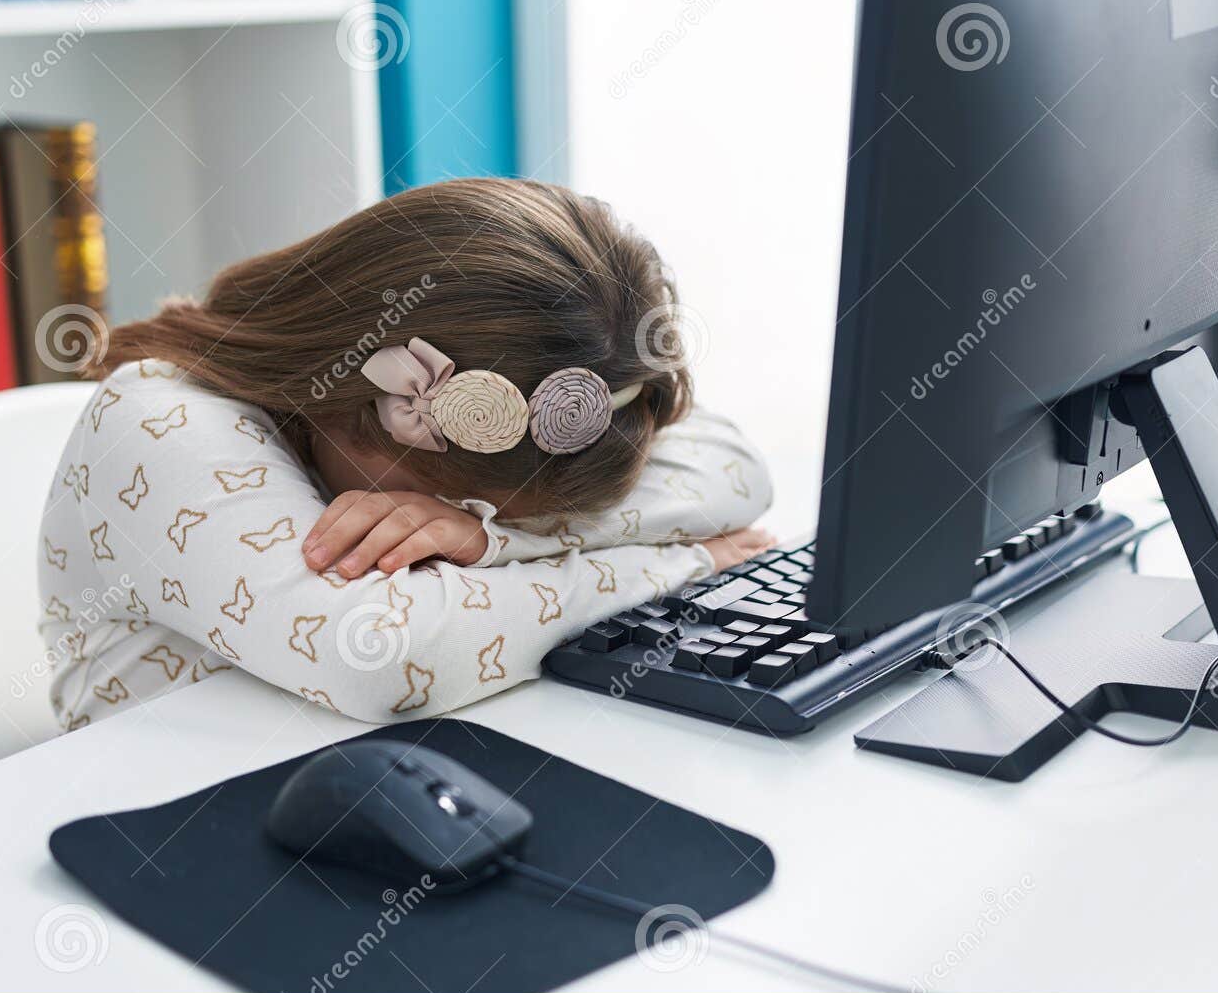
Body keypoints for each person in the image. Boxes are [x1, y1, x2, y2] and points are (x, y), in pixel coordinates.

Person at [38, 177, 774, 731]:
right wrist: (689, 564)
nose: (448, 545)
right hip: (168, 828)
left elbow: (736, 467)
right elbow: (384, 657)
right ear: (362, 411)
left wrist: (494, 539)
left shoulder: (574, 388)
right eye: (453, 505)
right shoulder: (157, 422)